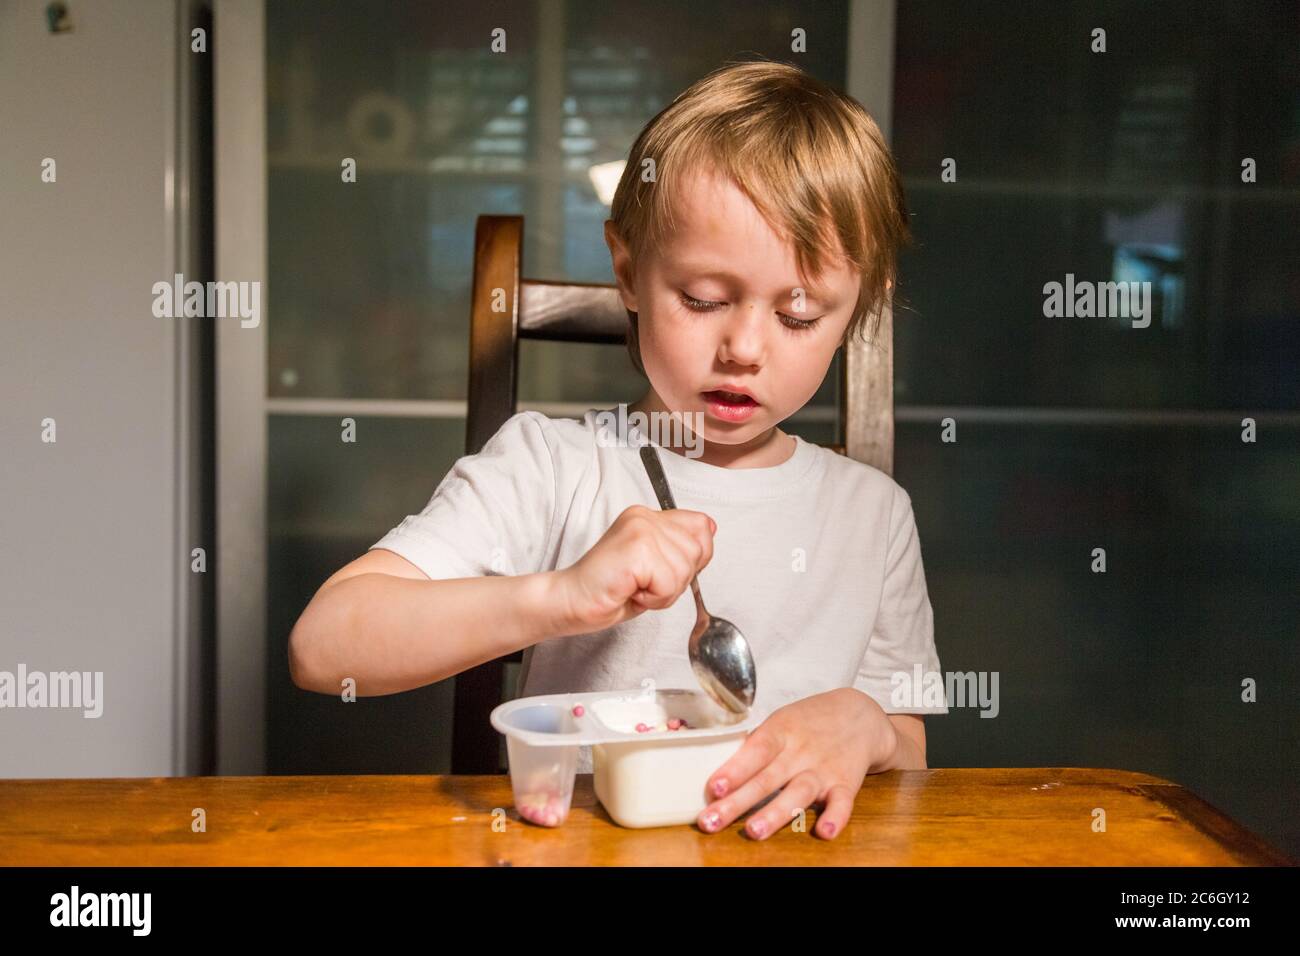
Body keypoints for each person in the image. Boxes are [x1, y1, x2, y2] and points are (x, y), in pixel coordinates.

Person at [289, 59, 947, 841]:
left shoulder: (873, 515)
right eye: (703, 300)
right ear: (629, 272)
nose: (744, 347)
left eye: (799, 316)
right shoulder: (552, 466)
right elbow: (324, 646)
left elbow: (910, 757)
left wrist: (868, 723)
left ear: (855, 312)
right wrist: (560, 597)